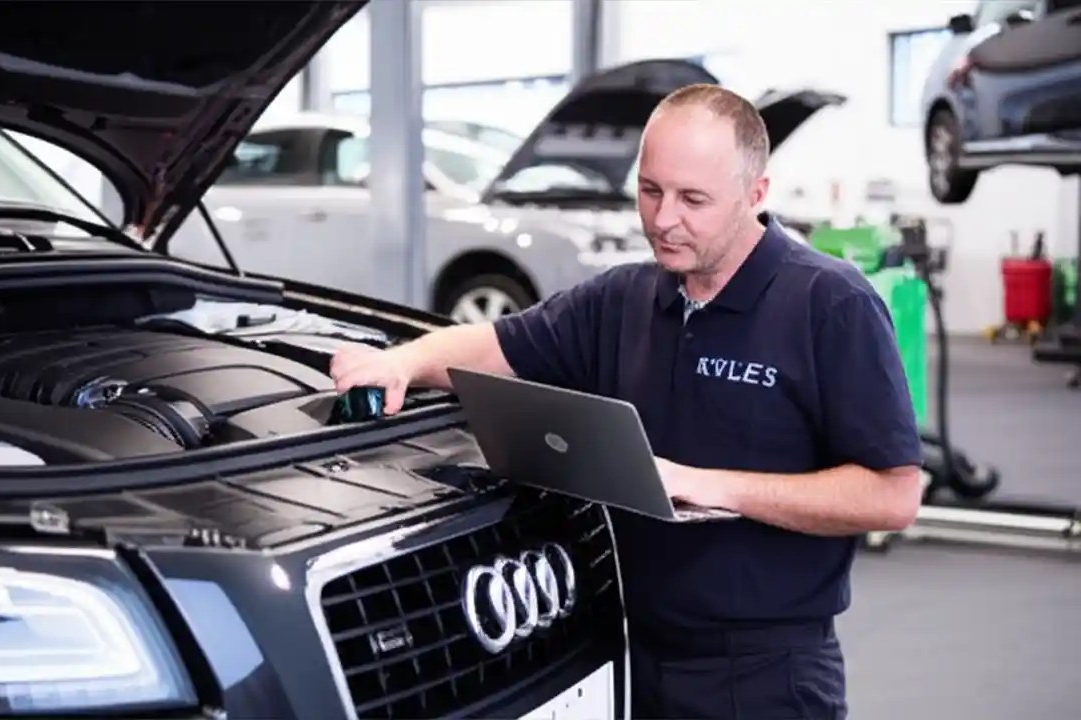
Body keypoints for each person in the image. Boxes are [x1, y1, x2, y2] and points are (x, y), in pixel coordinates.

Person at [329, 83, 923, 719]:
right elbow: (498, 345)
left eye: (694, 199)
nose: (664, 219)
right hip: (624, 657)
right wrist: (403, 361)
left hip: (762, 675)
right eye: (650, 190)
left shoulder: (830, 305)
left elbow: (891, 494)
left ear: (756, 194)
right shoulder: (624, 299)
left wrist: (711, 487)